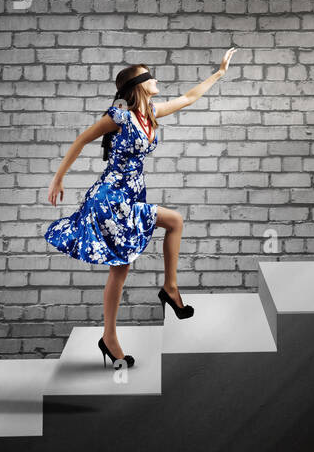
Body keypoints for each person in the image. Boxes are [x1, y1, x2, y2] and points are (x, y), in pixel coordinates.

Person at [44, 48, 237, 368]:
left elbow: (189, 97)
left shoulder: (150, 114)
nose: (157, 79)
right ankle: (165, 293)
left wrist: (219, 73)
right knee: (169, 225)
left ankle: (114, 333)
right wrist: (58, 179)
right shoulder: (118, 116)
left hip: (130, 196)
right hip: (111, 197)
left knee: (124, 266)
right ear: (138, 85)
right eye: (150, 76)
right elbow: (81, 140)